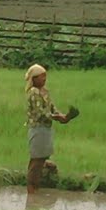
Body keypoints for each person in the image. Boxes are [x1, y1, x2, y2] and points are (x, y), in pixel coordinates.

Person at [24, 64, 76, 195]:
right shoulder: (34, 92)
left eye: (45, 76)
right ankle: (31, 189)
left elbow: (51, 107)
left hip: (45, 129)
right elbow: (40, 112)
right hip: (37, 128)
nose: (44, 79)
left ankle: (34, 189)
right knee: (36, 160)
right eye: (41, 77)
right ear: (34, 79)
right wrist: (57, 117)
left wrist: (62, 116)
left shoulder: (44, 91)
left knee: (41, 159)